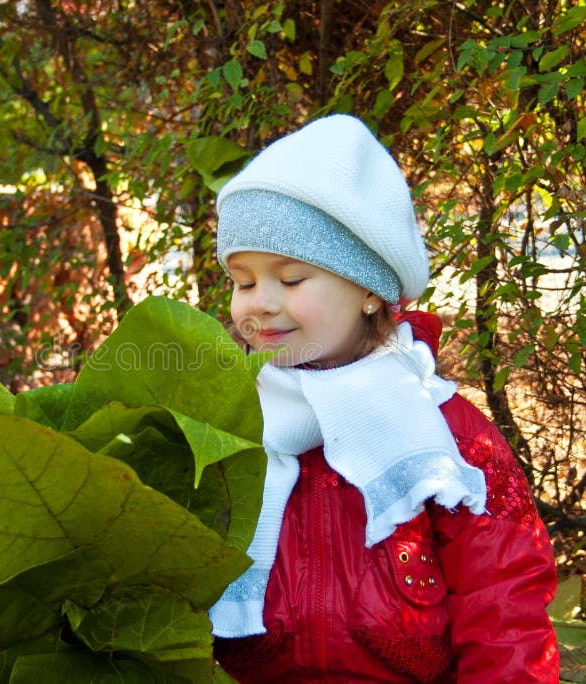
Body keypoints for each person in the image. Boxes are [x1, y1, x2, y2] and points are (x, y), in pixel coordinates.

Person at [208, 114, 559, 682]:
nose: (260, 302)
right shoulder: (225, 424)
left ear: (369, 290)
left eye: (291, 279)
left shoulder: (440, 435)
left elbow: (503, 605)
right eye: (243, 281)